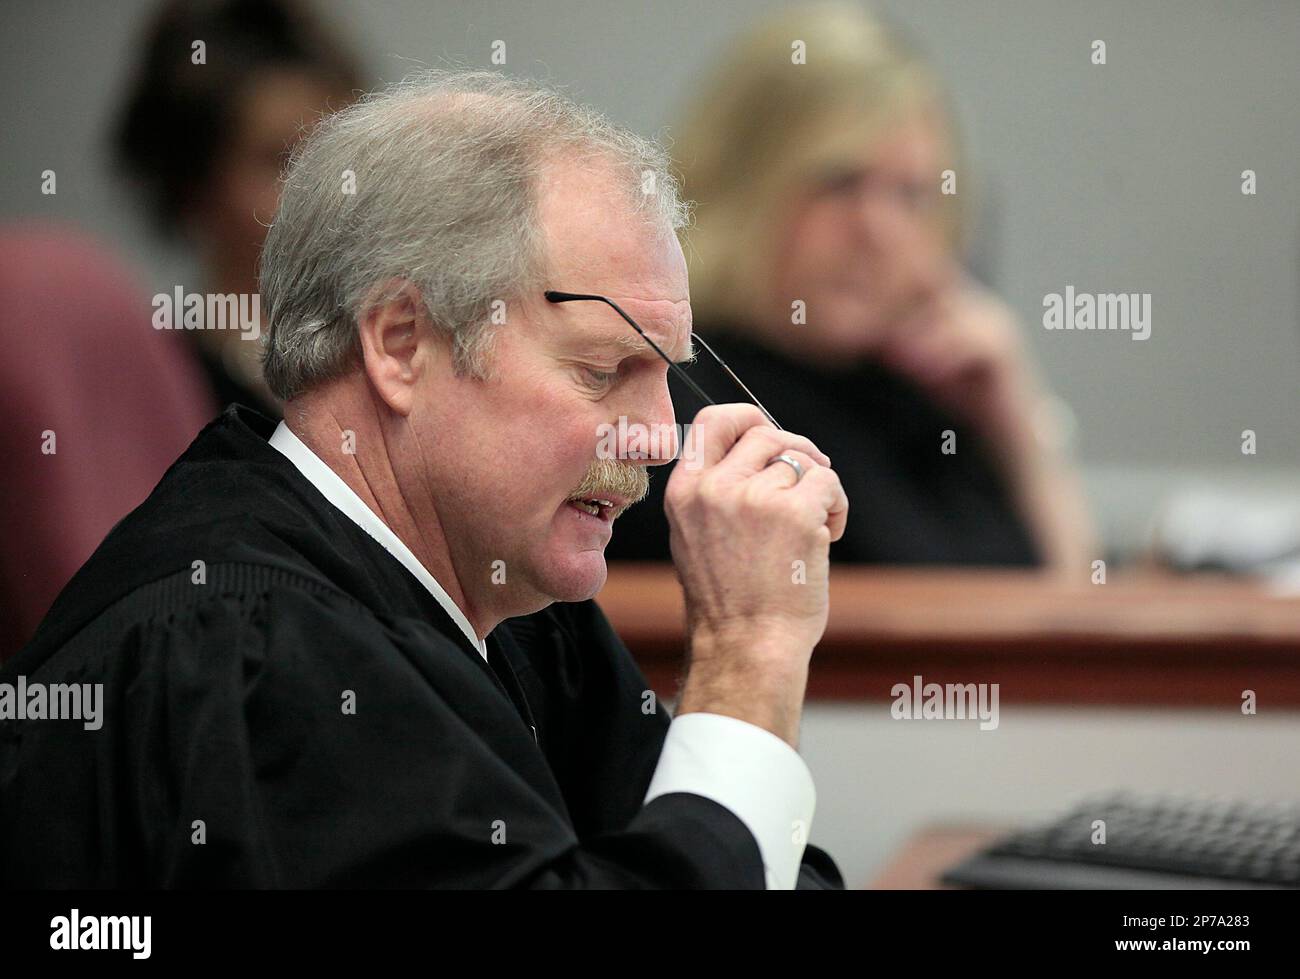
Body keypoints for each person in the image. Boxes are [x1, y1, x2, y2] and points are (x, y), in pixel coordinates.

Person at [0, 70, 849, 889]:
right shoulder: (264, 654)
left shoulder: (509, 594)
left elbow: (734, 859)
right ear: (401, 343)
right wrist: (747, 654)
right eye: (601, 369)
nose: (661, 438)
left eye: (665, 372)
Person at [604, 2, 1095, 571]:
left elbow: (1073, 630)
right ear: (742, 185)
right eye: (840, 183)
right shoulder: (673, 397)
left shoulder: (928, 392)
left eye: (910, 195)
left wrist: (1018, 419)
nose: (879, 231)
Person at [112, 0, 365, 417]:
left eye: (334, 153)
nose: (325, 190)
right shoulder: (155, 394)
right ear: (193, 186)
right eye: (279, 161)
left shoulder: (391, 360)